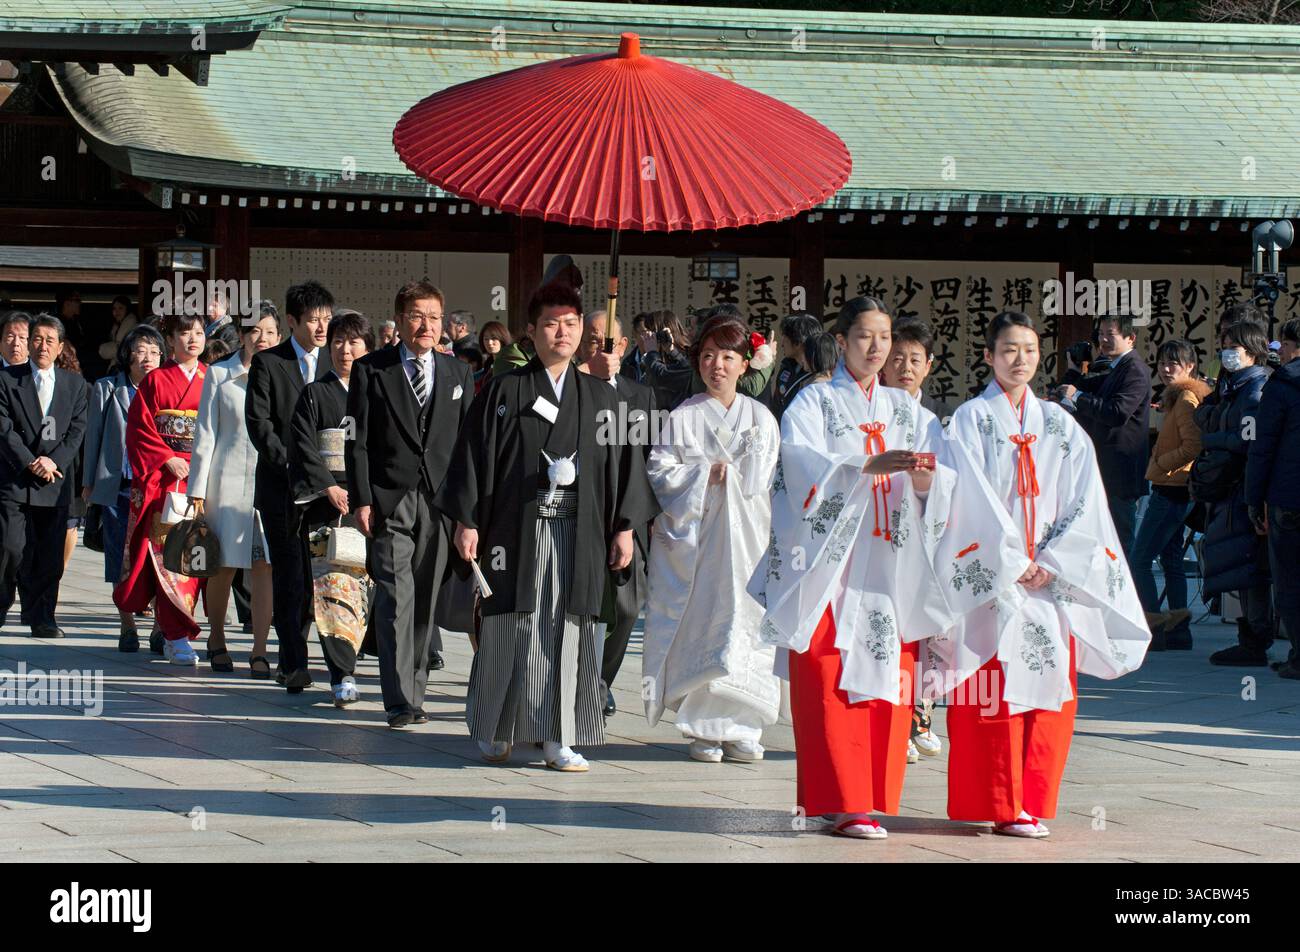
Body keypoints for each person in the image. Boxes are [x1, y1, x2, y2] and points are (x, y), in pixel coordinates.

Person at [758, 297, 1029, 840]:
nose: (877, 348)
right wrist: (862, 466)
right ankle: (841, 801)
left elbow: (946, 482)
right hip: (833, 570)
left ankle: (869, 798)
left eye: (883, 337)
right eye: (864, 337)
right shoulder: (813, 403)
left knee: (884, 683)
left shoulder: (912, 413)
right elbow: (795, 466)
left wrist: (928, 481)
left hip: (891, 571)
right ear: (841, 342)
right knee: (831, 681)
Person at [935, 311, 1149, 838]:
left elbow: (1086, 502)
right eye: (1008, 349)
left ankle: (1030, 801)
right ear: (988, 356)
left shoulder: (1059, 423)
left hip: (1049, 577)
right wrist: (1011, 561)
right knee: (992, 691)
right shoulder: (969, 421)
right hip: (992, 577)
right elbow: (964, 500)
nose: (1020, 360)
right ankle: (996, 801)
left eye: (1029, 350)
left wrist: (1051, 563)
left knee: (1048, 691)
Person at [437, 282, 658, 770]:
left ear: (583, 331)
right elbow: (473, 457)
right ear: (531, 332)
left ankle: (559, 734)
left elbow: (627, 467)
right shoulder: (503, 390)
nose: (562, 332)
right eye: (552, 323)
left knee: (572, 628)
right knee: (509, 624)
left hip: (580, 531)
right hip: (515, 529)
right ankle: (498, 726)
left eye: (571, 323)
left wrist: (624, 527)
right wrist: (467, 519)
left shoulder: (604, 397)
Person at [643, 315, 781, 762]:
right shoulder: (685, 416)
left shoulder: (761, 416)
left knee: (749, 626)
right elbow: (660, 472)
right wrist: (707, 473)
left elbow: (770, 483)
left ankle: (745, 726)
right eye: (707, 356)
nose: (716, 365)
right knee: (705, 623)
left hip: (750, 543)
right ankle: (703, 727)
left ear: (745, 363)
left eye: (727, 356)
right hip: (700, 544)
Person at [347, 281, 473, 727]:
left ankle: (416, 689)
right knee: (396, 594)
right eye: (418, 316)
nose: (427, 325)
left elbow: (467, 447)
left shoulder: (458, 374)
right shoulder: (371, 370)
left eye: (435, 317)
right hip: (390, 497)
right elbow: (357, 441)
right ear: (400, 321)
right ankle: (399, 699)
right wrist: (362, 499)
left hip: (440, 501)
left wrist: (466, 510)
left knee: (425, 598)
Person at [246, 280, 333, 692]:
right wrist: (293, 465)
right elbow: (260, 425)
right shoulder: (269, 363)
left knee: (328, 574)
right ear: (293, 321)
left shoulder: (336, 363)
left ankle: (335, 658)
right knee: (291, 575)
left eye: (327, 319)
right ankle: (293, 660)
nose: (321, 327)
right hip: (282, 488)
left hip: (328, 490)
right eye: (313, 320)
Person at [188, 302, 280, 676]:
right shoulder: (219, 375)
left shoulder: (284, 376)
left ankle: (260, 648)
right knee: (222, 565)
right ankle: (216, 638)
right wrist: (197, 488)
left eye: (270, 332)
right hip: (224, 481)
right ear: (241, 335)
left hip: (269, 482)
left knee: (264, 566)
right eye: (254, 331)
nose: (262, 338)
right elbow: (205, 433)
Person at [113, 313, 207, 662]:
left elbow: (219, 429)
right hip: (163, 480)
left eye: (198, 332)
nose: (192, 339)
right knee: (166, 556)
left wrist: (204, 464)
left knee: (192, 557)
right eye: (184, 333)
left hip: (199, 478)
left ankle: (175, 631)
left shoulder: (210, 378)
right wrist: (166, 457)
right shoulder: (156, 381)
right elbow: (138, 428)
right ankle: (174, 634)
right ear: (171, 341)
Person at [291, 310, 375, 706]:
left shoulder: (377, 390)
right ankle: (342, 674)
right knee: (331, 589)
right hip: (328, 506)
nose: (346, 349)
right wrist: (327, 485)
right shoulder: (314, 393)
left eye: (354, 341)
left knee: (368, 589)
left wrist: (367, 494)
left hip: (370, 504)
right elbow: (303, 445)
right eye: (339, 341)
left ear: (368, 346)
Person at [577, 308, 657, 718]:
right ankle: (578, 682)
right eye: (591, 339)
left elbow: (642, 465)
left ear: (624, 347)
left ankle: (601, 680)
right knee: (585, 607)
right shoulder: (571, 390)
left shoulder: (638, 396)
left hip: (626, 518)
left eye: (607, 341)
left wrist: (628, 525)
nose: (600, 348)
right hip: (580, 516)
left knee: (626, 609)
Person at [0, 315, 89, 637]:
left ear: (60, 347)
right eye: (36, 338)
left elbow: (77, 431)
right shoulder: (7, 379)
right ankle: (3, 601)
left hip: (55, 482)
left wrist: (52, 463)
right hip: (14, 479)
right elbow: (4, 428)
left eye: (50, 340)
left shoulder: (75, 384)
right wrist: (30, 462)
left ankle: (42, 617)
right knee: (11, 549)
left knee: (50, 554)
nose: (42, 346)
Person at [881, 315, 944, 761]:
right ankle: (890, 718)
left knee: (925, 633)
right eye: (897, 357)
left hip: (921, 535)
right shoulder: (874, 415)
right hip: (879, 535)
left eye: (914, 359)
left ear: (929, 365)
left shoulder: (932, 421)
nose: (905, 366)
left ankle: (919, 716)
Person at [83, 324, 164, 651]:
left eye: (154, 351)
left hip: (158, 486)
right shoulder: (108, 389)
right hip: (120, 485)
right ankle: (127, 625)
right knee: (120, 557)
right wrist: (88, 482)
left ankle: (161, 626)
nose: (147, 357)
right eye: (141, 350)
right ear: (128, 355)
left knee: (159, 558)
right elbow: (94, 437)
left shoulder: (167, 389)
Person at [1198, 320, 1274, 666]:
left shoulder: (1254, 390)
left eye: (1234, 347)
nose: (1227, 353)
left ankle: (1255, 639)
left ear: (1253, 351)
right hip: (1233, 488)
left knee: (1247, 566)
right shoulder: (1233, 387)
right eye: (1224, 345)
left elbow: (1247, 439)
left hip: (1243, 487)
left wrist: (1212, 439)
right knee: (1240, 563)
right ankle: (1251, 636)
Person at [1133, 339, 1210, 651]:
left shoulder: (1186, 399)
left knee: (1139, 560)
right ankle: (1178, 630)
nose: (1165, 369)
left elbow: (1194, 445)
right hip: (1178, 489)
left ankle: (1155, 627)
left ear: (1189, 366)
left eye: (1173, 363)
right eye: (1163, 362)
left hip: (1171, 488)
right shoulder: (1180, 397)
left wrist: (1161, 464)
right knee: (1172, 559)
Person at [1057, 314, 1151, 559]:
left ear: (1131, 338)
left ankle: (1128, 595)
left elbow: (1117, 412)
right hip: (1104, 469)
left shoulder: (1134, 369)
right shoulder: (1112, 367)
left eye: (1111, 334)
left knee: (1119, 545)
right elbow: (1072, 396)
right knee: (1101, 543)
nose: (1104, 340)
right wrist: (1074, 373)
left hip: (1119, 472)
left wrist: (1077, 395)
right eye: (1100, 334)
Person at [1247, 318, 1300, 679]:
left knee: (1291, 578)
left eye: (1282, 345)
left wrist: (1254, 498)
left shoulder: (1281, 385)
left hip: (1289, 495)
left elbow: (1262, 447)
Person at [54, 342, 89, 574]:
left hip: (74, 465)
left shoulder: (83, 389)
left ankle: (60, 568)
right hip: (63, 463)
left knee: (70, 521)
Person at [882, 316, 943, 417]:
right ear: (884, 364)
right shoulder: (868, 412)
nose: (906, 368)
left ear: (927, 367)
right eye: (898, 359)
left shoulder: (944, 417)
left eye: (915, 360)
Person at [769, 312, 823, 419]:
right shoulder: (786, 366)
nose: (782, 343)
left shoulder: (820, 374)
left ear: (798, 341)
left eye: (785, 337)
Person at [98, 295, 138, 372]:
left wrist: (103, 349)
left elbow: (121, 349)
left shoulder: (131, 323)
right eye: (114, 308)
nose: (117, 311)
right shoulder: (117, 325)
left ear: (127, 309)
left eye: (120, 308)